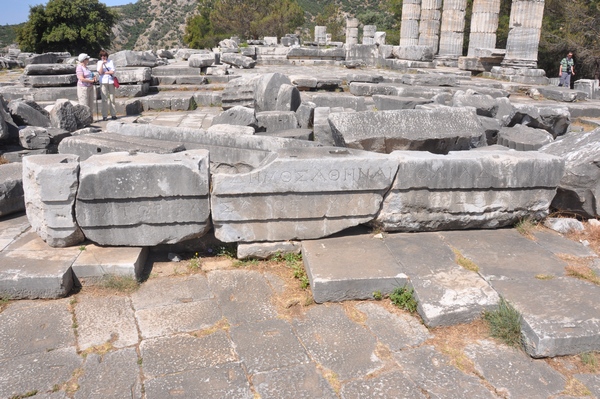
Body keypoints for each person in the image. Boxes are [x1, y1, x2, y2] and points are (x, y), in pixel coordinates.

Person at [97, 49, 117, 121]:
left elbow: (112, 71)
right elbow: (99, 72)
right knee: (104, 99)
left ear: (107, 56)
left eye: (104, 56)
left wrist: (105, 73)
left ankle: (113, 114)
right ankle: (104, 115)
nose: (103, 57)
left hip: (111, 81)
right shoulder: (99, 62)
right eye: (102, 56)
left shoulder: (110, 62)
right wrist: (102, 64)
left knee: (112, 98)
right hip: (103, 81)